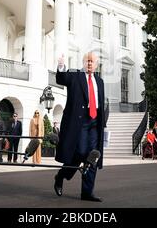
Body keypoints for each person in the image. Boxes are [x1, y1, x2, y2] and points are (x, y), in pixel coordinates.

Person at [53, 52, 105, 202]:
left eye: (92, 61)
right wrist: (61, 66)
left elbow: (100, 103)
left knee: (93, 156)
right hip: (81, 122)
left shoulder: (100, 81)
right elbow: (62, 78)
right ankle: (61, 176)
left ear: (96, 65)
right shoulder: (75, 76)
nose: (89, 63)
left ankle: (87, 193)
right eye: (87, 61)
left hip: (95, 123)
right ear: (83, 63)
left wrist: (103, 123)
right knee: (81, 153)